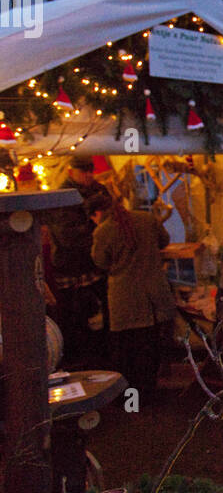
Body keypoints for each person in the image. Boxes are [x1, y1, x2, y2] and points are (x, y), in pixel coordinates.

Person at [89, 188, 177, 404]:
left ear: (98, 213)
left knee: (128, 352)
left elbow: (100, 261)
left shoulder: (103, 231)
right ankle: (150, 393)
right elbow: (164, 241)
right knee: (150, 346)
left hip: (124, 299)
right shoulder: (146, 219)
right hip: (154, 293)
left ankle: (132, 401)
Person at [45, 154, 108, 364]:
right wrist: (96, 230)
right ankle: (81, 364)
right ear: (72, 172)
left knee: (98, 319)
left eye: (91, 170)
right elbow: (67, 236)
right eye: (84, 171)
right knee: (77, 321)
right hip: (71, 268)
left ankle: (99, 360)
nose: (89, 175)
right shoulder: (62, 197)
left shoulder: (99, 191)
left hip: (95, 266)